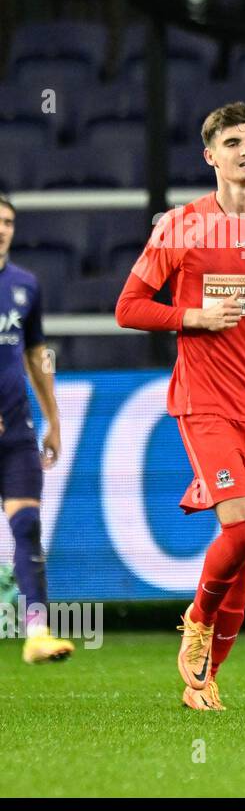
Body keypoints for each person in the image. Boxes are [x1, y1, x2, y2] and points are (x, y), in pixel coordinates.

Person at [115, 102, 245, 712]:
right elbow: (129, 307)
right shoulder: (180, 227)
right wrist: (193, 317)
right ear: (210, 156)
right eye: (232, 142)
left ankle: (204, 678)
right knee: (244, 522)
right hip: (204, 400)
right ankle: (198, 618)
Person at [0, 195, 70, 664]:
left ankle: (37, 632)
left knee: (26, 525)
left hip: (17, 433)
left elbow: (36, 355)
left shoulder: (26, 285)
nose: (2, 229)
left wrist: (54, 419)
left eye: (7, 222)